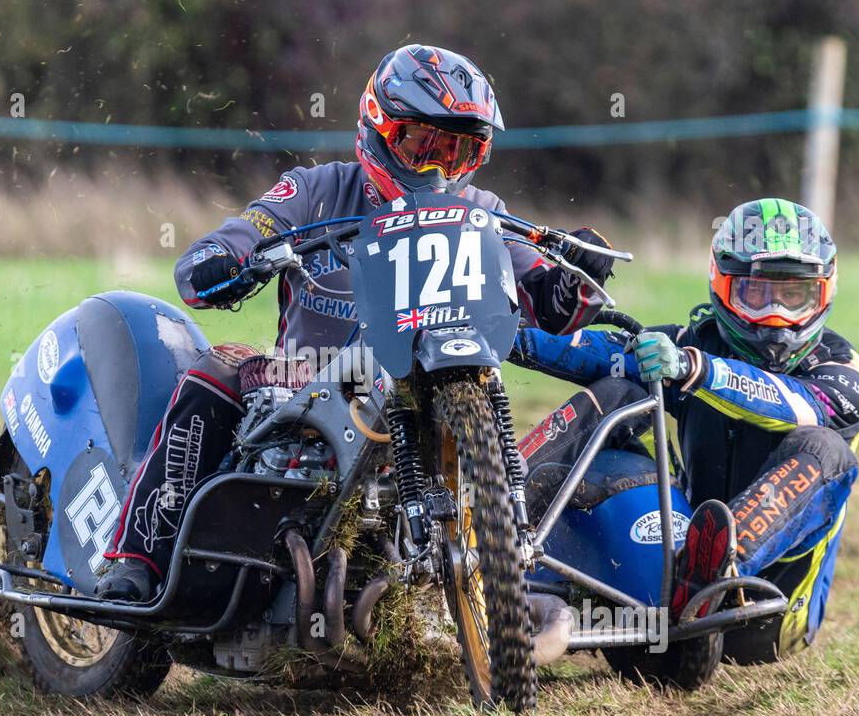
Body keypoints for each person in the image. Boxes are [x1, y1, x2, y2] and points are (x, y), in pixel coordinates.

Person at [97, 43, 617, 602]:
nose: (439, 169)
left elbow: (547, 295)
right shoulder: (316, 190)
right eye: (422, 146)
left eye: (459, 152)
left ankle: (493, 574)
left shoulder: (481, 212)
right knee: (215, 370)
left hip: (431, 377)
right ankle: (137, 557)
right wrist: (232, 259)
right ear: (378, 128)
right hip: (303, 376)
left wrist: (577, 273)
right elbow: (218, 252)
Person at [512, 199, 859, 662]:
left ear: (824, 292)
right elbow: (592, 350)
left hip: (766, 618)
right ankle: (497, 518)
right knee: (618, 392)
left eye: (794, 295)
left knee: (826, 449)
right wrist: (490, 330)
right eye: (756, 294)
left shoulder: (843, 372)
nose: (776, 315)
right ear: (722, 287)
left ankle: (712, 572)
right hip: (663, 595)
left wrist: (698, 371)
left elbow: (788, 403)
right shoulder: (692, 345)